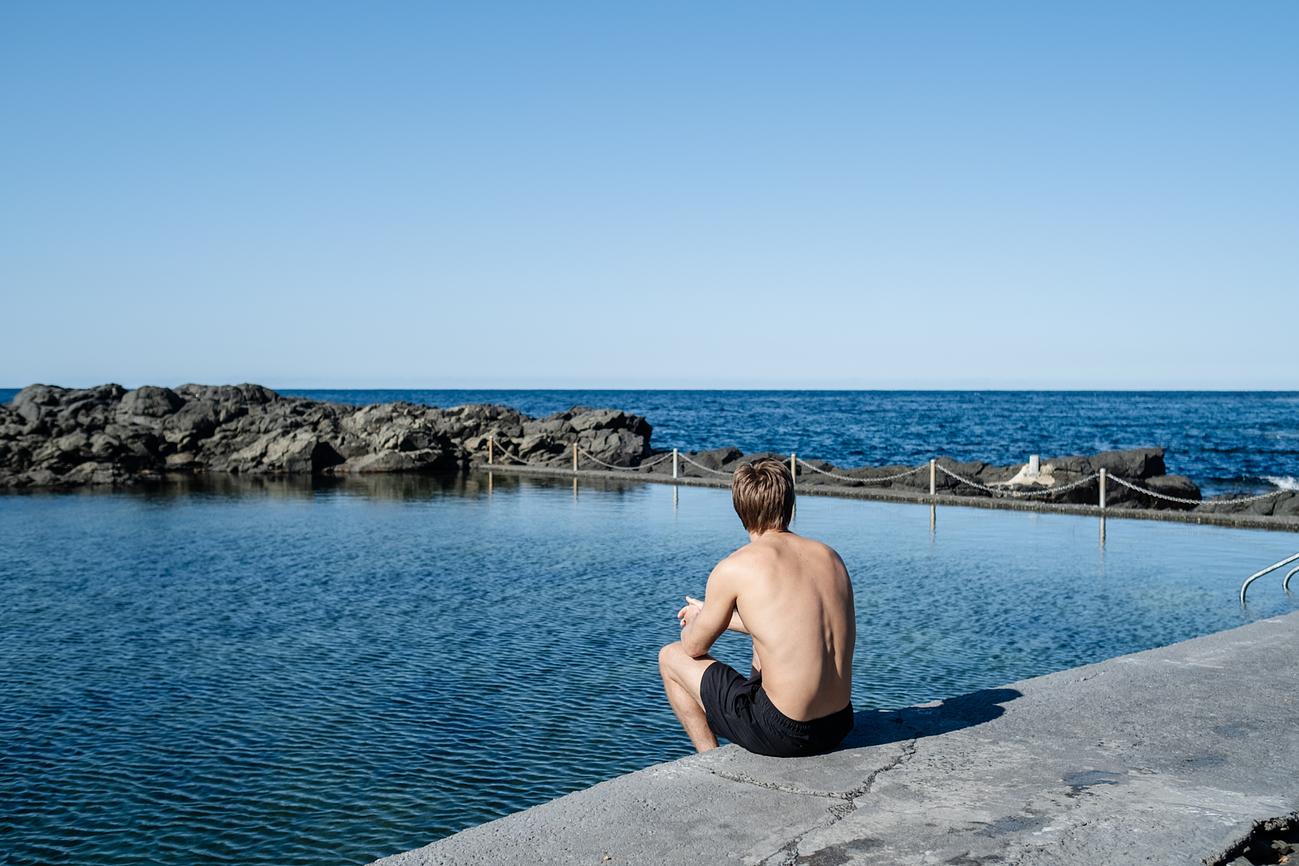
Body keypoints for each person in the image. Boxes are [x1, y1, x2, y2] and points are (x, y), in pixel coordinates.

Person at [658, 457, 856, 757]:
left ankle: (708, 759)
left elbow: (693, 647)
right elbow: (792, 625)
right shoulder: (831, 557)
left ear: (740, 509)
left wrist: (699, 618)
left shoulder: (735, 567)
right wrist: (724, 617)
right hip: (838, 725)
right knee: (760, 642)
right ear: (790, 504)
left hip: (785, 732)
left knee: (669, 656)